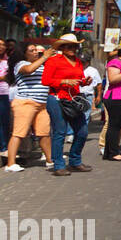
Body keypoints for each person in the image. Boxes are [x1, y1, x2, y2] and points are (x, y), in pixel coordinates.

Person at [41, 33, 92, 176]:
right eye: (69, 46)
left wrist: (84, 81)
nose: (72, 49)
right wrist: (63, 81)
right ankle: (58, 165)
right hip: (57, 99)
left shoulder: (78, 62)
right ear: (62, 47)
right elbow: (45, 80)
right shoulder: (53, 60)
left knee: (82, 132)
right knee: (60, 133)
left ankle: (75, 160)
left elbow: (79, 79)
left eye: (74, 46)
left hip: (73, 99)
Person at [4, 41, 52, 172]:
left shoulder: (41, 64)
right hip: (26, 102)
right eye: (32, 50)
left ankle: (50, 160)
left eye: (36, 50)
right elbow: (29, 70)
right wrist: (44, 57)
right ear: (24, 53)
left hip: (41, 104)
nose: (36, 52)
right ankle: (10, 164)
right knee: (19, 133)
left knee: (44, 133)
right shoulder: (21, 64)